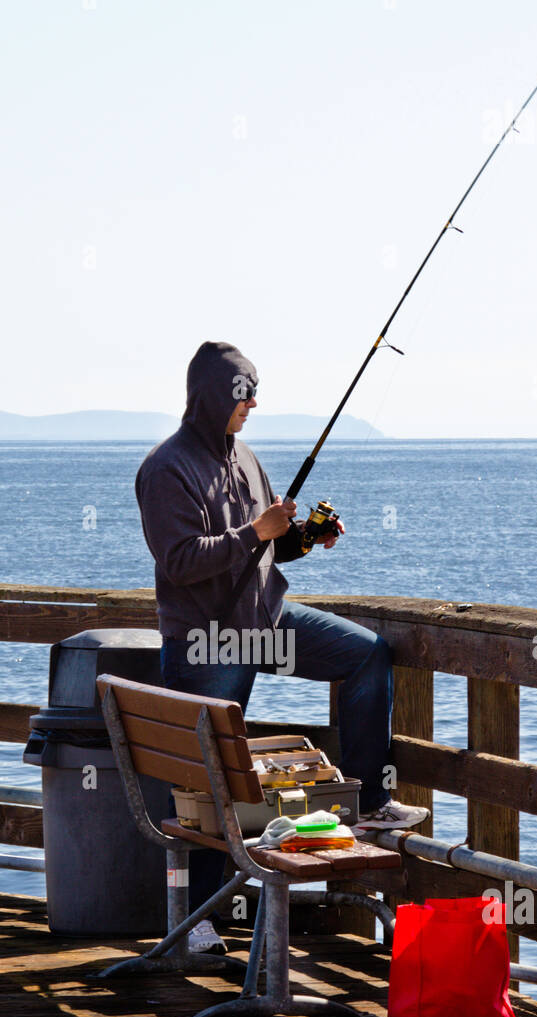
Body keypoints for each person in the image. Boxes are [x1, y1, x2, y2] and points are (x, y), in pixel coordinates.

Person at [136, 341, 428, 952]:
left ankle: (371, 799)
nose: (250, 406)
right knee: (209, 772)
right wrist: (256, 530)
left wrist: (302, 537)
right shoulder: (166, 469)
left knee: (367, 655)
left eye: (253, 395)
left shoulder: (244, 457)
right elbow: (181, 561)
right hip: (208, 637)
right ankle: (197, 922)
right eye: (241, 396)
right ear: (212, 397)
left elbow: (262, 551)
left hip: (263, 619)